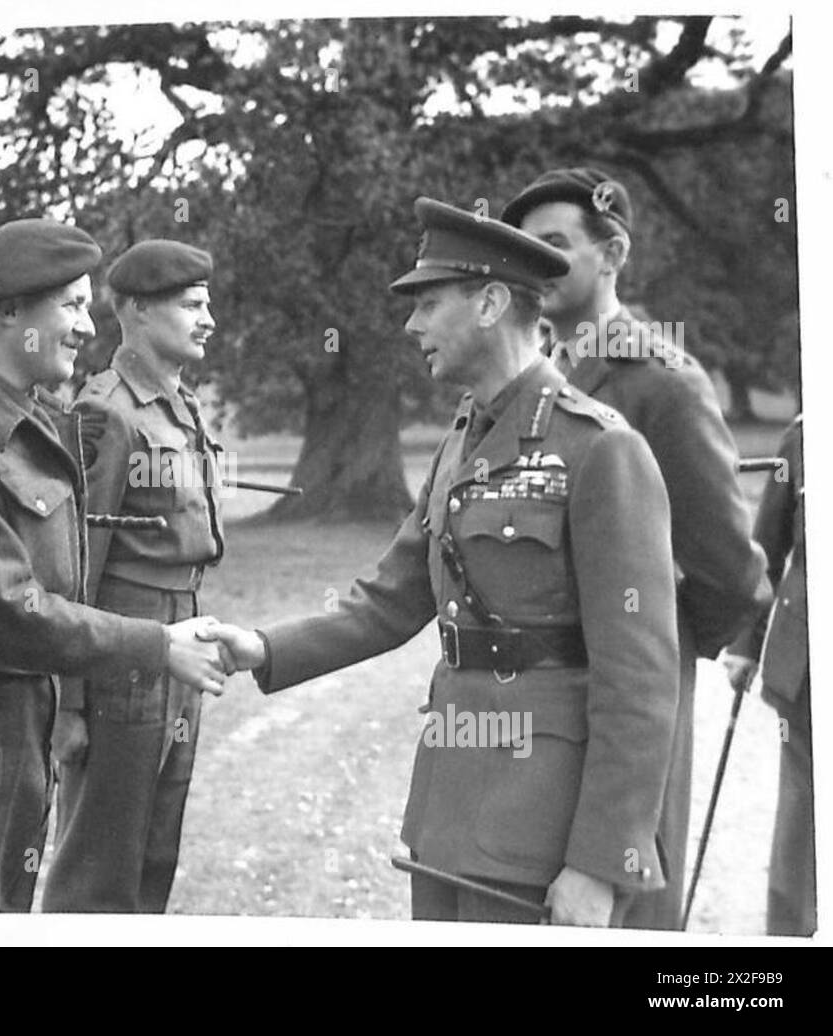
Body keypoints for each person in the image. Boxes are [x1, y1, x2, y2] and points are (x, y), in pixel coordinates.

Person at [209, 198, 681, 925]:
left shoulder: (601, 449)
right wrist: (263, 647)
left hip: (542, 824)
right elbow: (388, 601)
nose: (411, 325)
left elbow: (640, 679)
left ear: (491, 303)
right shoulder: (463, 438)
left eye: (429, 303)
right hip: (450, 809)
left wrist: (600, 862)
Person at [0, 219, 229, 913]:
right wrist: (154, 643)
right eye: (72, 305)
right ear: (8, 312)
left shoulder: (39, 424)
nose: (88, 327)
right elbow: (5, 610)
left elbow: (70, 574)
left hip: (12, 712)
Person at [501, 167, 769, 929]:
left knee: (623, 907)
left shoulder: (664, 383)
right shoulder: (525, 379)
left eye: (557, 245)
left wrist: (663, 637)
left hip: (632, 698)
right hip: (537, 698)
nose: (540, 264)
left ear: (612, 252)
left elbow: (730, 569)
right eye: (528, 249)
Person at [42, 240, 225, 912]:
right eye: (192, 305)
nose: (209, 318)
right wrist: (68, 705)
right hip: (121, 656)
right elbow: (75, 568)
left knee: (154, 856)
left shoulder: (176, 404)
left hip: (178, 650)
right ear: (141, 312)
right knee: (99, 867)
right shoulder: (105, 412)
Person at [722, 415, 811, 936]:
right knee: (800, 836)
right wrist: (745, 645)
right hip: (807, 674)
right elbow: (768, 549)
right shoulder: (803, 436)